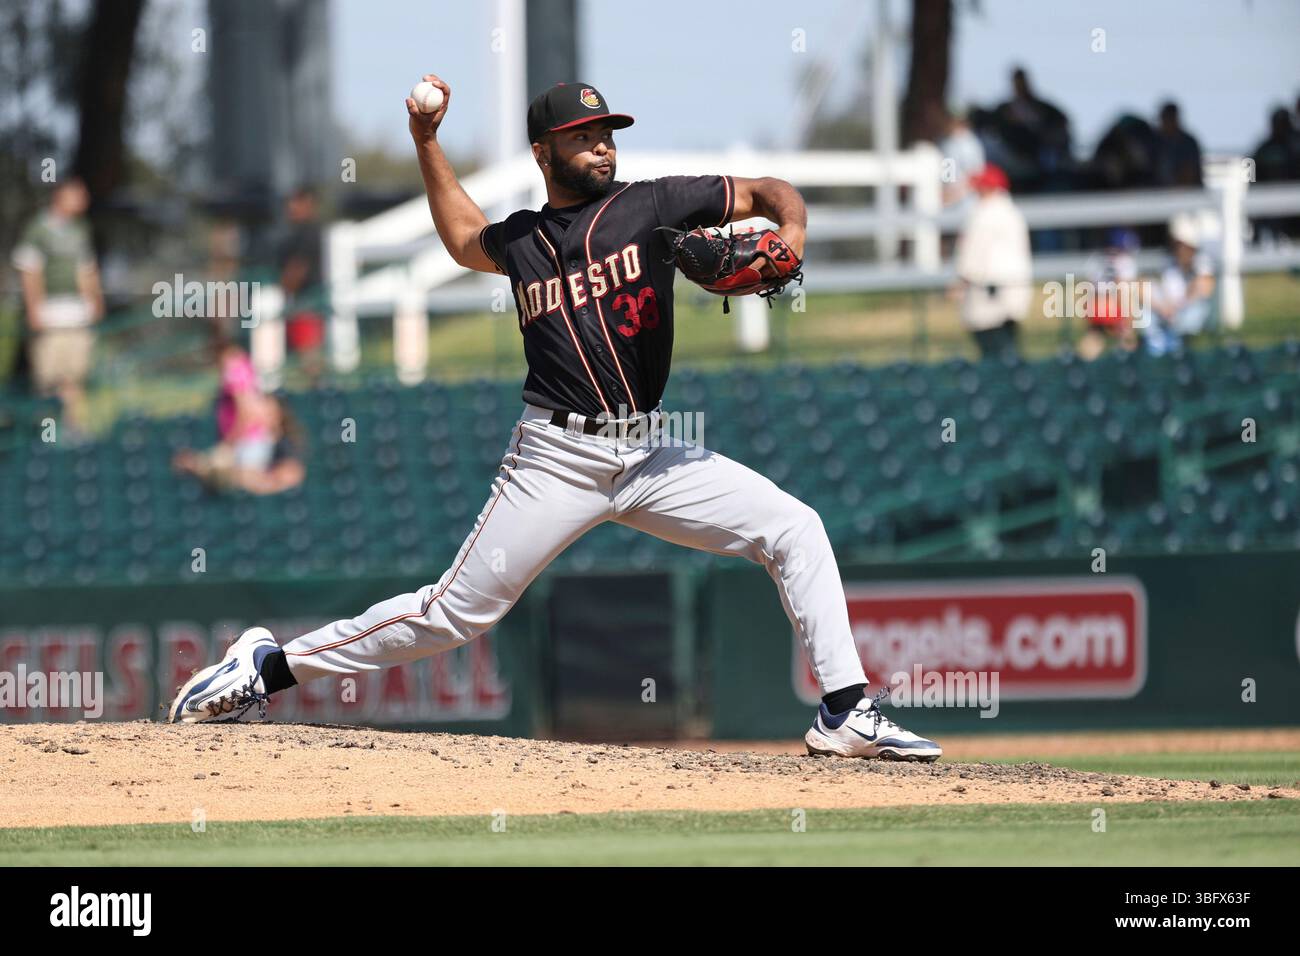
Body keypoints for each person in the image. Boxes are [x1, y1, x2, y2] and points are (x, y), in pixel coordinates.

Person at [168, 76, 942, 762]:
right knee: (452, 615)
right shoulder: (523, 242)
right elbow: (463, 237)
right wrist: (426, 142)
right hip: (555, 458)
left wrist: (794, 233)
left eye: (606, 133)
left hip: (650, 454)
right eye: (583, 136)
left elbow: (772, 190)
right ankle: (265, 666)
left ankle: (846, 712)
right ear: (545, 151)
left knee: (795, 526)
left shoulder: (654, 205)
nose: (602, 146)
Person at [10, 177, 104, 438]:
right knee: (49, 379)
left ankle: (74, 431)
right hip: (50, 314)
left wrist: (96, 301)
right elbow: (30, 271)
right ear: (61, 195)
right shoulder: (38, 229)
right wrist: (34, 310)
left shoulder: (80, 230)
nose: (83, 199)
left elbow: (87, 270)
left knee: (74, 378)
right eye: (78, 194)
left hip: (77, 315)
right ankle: (48, 434)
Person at [952, 164, 1032, 359]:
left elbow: (972, 253)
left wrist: (960, 282)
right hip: (1015, 285)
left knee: (992, 348)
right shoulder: (1013, 212)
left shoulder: (983, 214)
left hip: (988, 288)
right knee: (1008, 344)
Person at [1144, 213, 1215, 356]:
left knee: (1189, 316)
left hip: (1188, 309)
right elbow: (1158, 287)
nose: (1179, 248)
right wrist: (1164, 306)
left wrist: (1181, 305)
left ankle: (1175, 347)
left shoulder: (1201, 262)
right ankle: (1156, 348)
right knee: (1145, 309)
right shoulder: (1168, 261)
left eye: (1181, 244)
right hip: (1169, 308)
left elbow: (1204, 288)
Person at [277, 187, 326, 382]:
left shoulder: (309, 233)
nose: (291, 208)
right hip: (303, 304)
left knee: (310, 360)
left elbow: (298, 268)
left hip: (307, 304)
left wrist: (284, 290)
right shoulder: (297, 233)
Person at [1078, 229, 1140, 361]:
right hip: (1113, 306)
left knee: (1093, 339)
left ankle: (1084, 367)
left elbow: (1087, 289)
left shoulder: (1095, 259)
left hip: (1095, 306)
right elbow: (1121, 287)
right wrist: (1128, 319)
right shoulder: (1125, 261)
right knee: (1127, 337)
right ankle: (1127, 364)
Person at [1152, 101, 1203, 187]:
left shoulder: (1187, 143)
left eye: (1167, 119)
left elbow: (1189, 173)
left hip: (1187, 193)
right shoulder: (1156, 140)